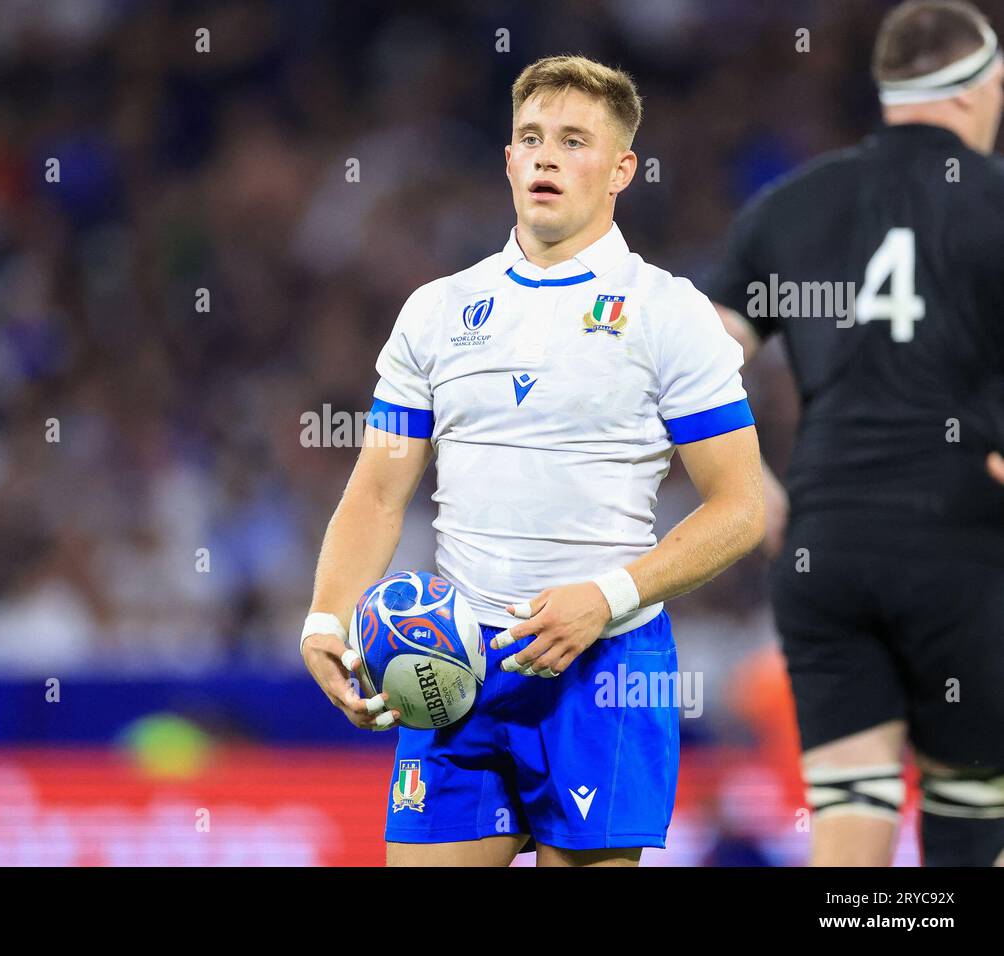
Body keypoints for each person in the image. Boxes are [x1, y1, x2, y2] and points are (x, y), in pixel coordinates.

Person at [301, 54, 764, 867]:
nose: (547, 157)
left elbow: (740, 509)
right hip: (454, 664)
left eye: (575, 141)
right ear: (509, 159)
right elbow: (377, 492)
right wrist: (325, 620)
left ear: (622, 168)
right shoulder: (437, 311)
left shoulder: (670, 313)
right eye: (531, 138)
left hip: (606, 669)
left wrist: (606, 598)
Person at [706, 0, 1004, 867]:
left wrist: (747, 491)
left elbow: (684, 363)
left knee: (850, 815)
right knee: (973, 814)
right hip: (964, 537)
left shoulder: (792, 205)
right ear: (984, 86)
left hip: (823, 540)